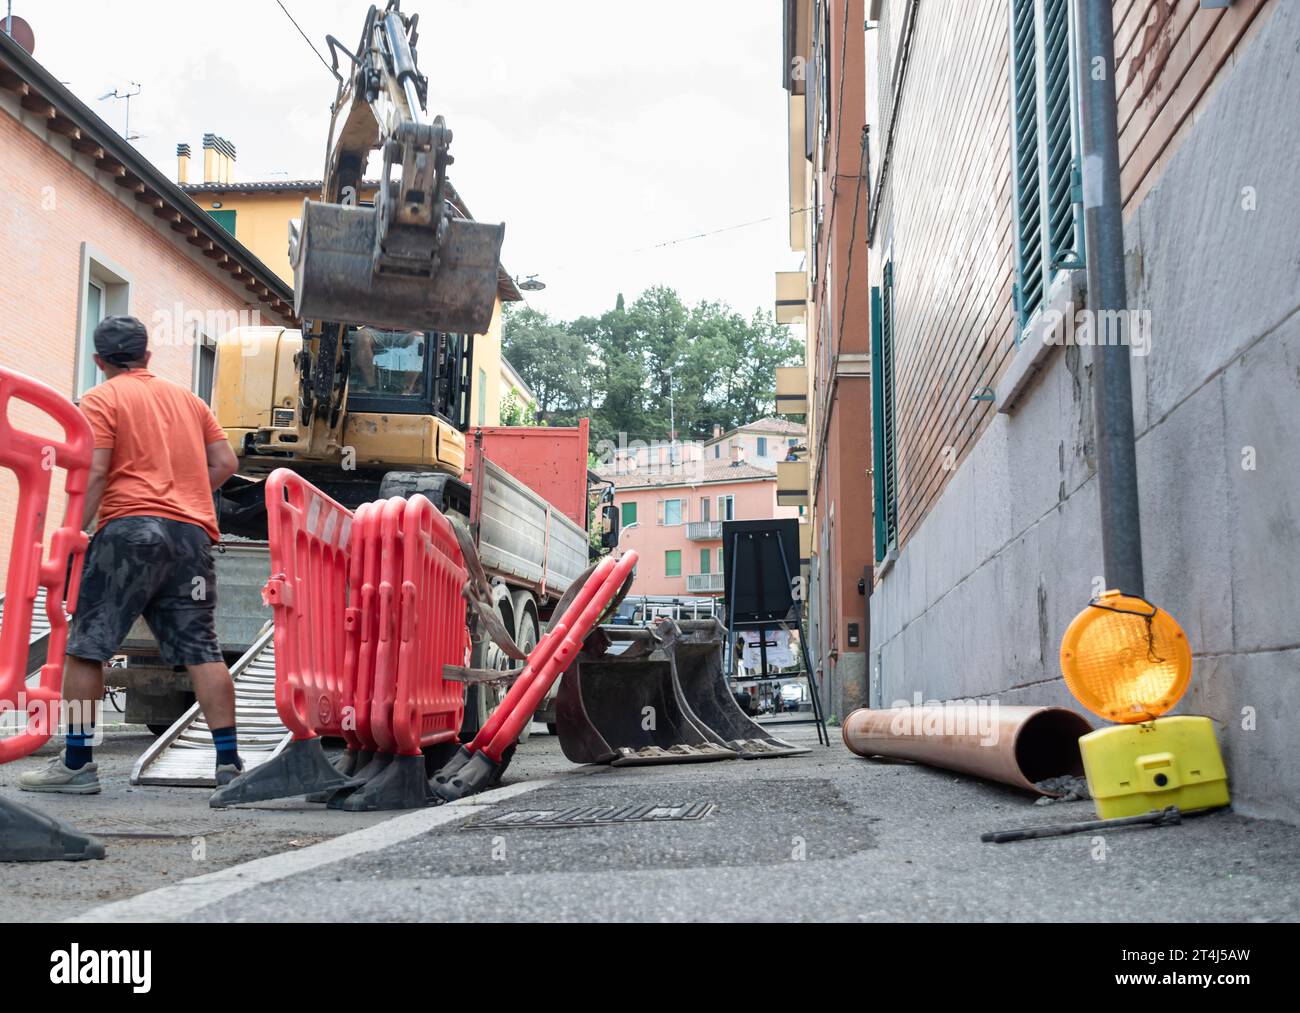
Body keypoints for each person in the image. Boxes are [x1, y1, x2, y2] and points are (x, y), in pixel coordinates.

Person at [20, 316, 243, 795]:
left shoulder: (101, 398)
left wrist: (71, 530)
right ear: (148, 355)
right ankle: (228, 764)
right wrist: (184, 497)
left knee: (87, 646)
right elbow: (226, 463)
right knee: (203, 649)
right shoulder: (189, 400)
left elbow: (96, 472)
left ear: (100, 361)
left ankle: (77, 764)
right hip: (191, 538)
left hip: (128, 532)